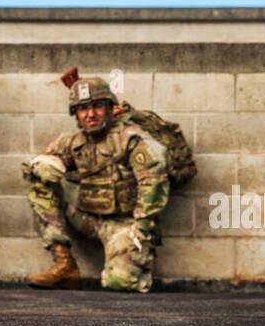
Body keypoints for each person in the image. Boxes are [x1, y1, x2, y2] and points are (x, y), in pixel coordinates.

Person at [22, 75, 170, 293]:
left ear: (110, 108)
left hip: (125, 225)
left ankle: (132, 263)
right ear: (76, 114)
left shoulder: (129, 138)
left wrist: (142, 230)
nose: (90, 114)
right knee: (39, 181)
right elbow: (35, 167)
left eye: (97, 106)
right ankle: (64, 263)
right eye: (83, 109)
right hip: (88, 220)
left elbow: (153, 182)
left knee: (118, 282)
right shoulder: (72, 142)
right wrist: (43, 166)